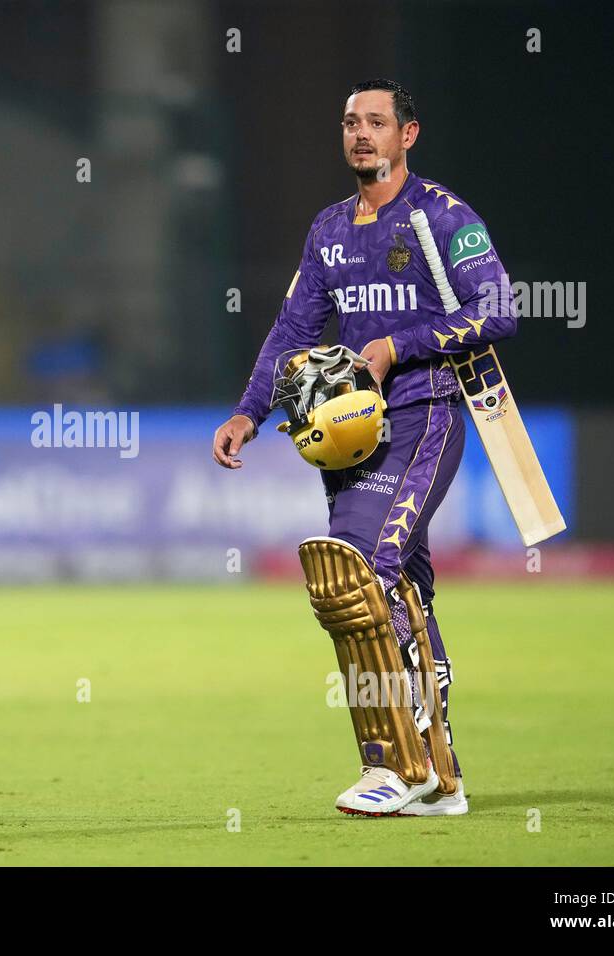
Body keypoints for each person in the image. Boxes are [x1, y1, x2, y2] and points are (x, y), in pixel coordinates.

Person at [212, 79, 517, 816]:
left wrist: (394, 346)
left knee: (357, 574)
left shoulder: (441, 217)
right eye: (351, 122)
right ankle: (439, 777)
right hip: (354, 436)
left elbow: (500, 307)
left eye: (377, 122)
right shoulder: (329, 230)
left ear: (407, 135)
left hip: (427, 410)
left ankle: (392, 765)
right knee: (403, 589)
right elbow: (292, 332)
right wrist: (251, 411)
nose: (361, 134)